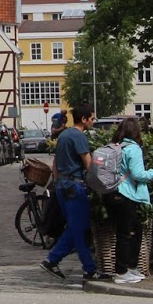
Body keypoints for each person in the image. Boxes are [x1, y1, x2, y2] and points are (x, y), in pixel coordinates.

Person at [40, 103, 99, 282]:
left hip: (62, 186)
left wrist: (58, 182)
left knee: (75, 228)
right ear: (84, 119)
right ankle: (60, 261)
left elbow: (55, 164)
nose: (93, 121)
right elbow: (88, 164)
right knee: (79, 228)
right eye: (92, 118)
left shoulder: (63, 135)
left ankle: (58, 261)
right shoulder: (79, 137)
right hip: (74, 187)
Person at [110, 116, 153, 285]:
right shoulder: (133, 149)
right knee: (127, 233)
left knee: (129, 231)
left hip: (112, 192)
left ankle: (129, 268)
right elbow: (138, 175)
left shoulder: (116, 146)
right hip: (127, 194)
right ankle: (122, 272)